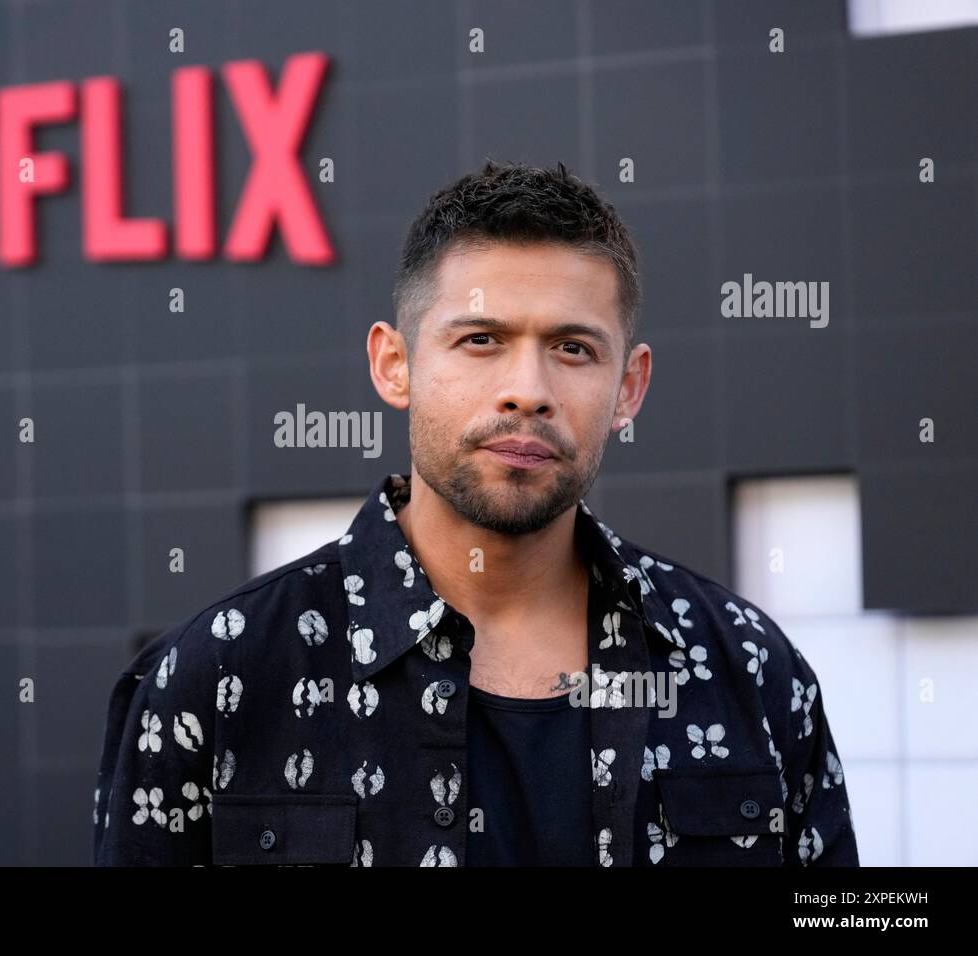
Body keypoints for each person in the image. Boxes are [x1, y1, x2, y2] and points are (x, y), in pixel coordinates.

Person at [92, 160, 858, 867]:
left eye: (573, 348)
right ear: (395, 365)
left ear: (630, 387)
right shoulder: (216, 676)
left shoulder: (750, 669)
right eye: (482, 340)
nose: (527, 389)